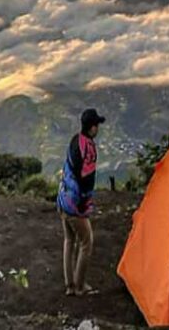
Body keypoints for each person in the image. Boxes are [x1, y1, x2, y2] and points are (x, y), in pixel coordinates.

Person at [57, 108, 105, 297]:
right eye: (97, 125)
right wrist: (85, 205)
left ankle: (69, 285)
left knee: (69, 240)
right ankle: (80, 285)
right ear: (92, 128)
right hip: (74, 204)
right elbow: (86, 179)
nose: (98, 129)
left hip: (62, 199)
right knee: (87, 241)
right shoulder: (89, 149)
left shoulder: (74, 140)